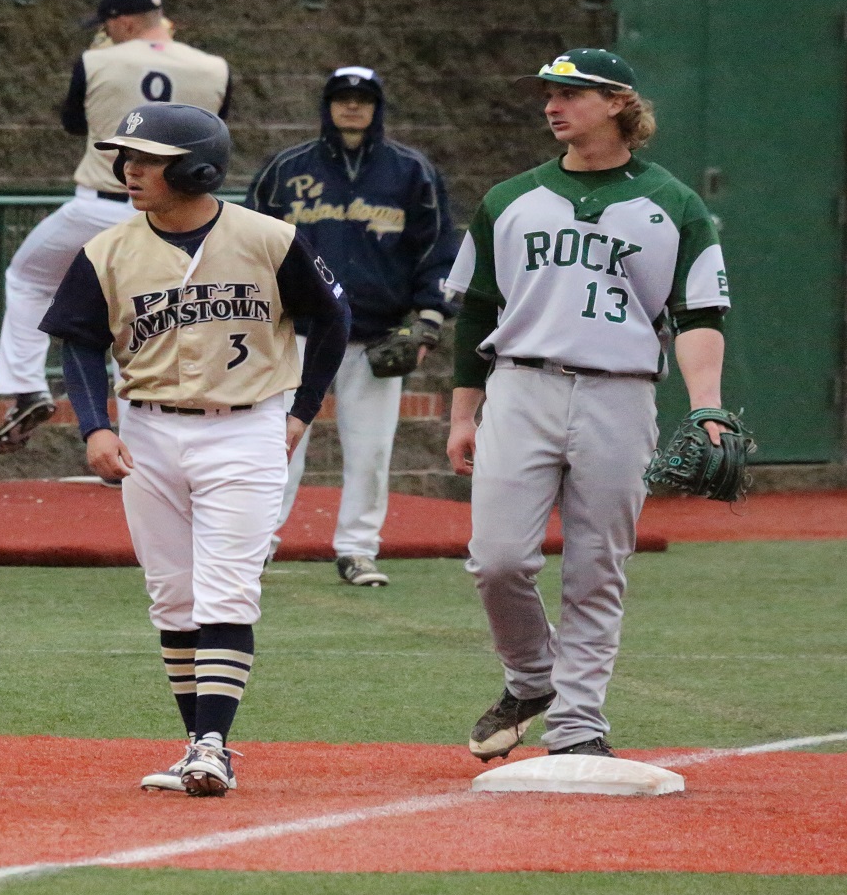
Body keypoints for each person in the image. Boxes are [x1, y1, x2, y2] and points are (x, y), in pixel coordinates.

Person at [39, 103, 348, 795]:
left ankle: (214, 745)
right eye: (127, 158)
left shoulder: (267, 238)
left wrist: (302, 411)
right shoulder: (108, 250)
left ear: (196, 168)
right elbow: (81, 343)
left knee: (227, 588)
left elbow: (332, 318)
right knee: (173, 597)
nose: (129, 170)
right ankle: (195, 745)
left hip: (245, 428)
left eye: (147, 159)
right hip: (148, 429)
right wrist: (96, 425)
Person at [445, 48, 731, 760]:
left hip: (620, 391)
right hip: (521, 385)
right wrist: (461, 412)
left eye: (571, 92)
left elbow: (699, 314)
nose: (552, 104)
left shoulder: (674, 205)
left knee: (597, 565)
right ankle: (532, 677)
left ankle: (578, 726)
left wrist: (707, 407)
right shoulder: (510, 200)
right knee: (498, 560)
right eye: (548, 91)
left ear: (617, 103)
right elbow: (477, 309)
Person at [0, 0, 232, 455]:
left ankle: (26, 388)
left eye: (107, 25)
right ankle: (142, 443)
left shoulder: (97, 60)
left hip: (100, 205)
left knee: (27, 278)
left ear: (122, 22)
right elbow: (215, 132)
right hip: (179, 214)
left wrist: (102, 62)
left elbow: (74, 123)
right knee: (145, 317)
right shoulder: (214, 66)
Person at [244, 66, 459, 587]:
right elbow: (249, 239)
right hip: (296, 331)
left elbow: (437, 248)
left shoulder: (411, 171)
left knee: (371, 450)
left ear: (378, 105)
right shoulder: (287, 167)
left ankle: (359, 549)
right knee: (280, 445)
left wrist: (429, 319)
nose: (352, 107)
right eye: (342, 98)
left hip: (376, 334)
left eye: (363, 98)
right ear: (327, 104)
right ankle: (257, 547)